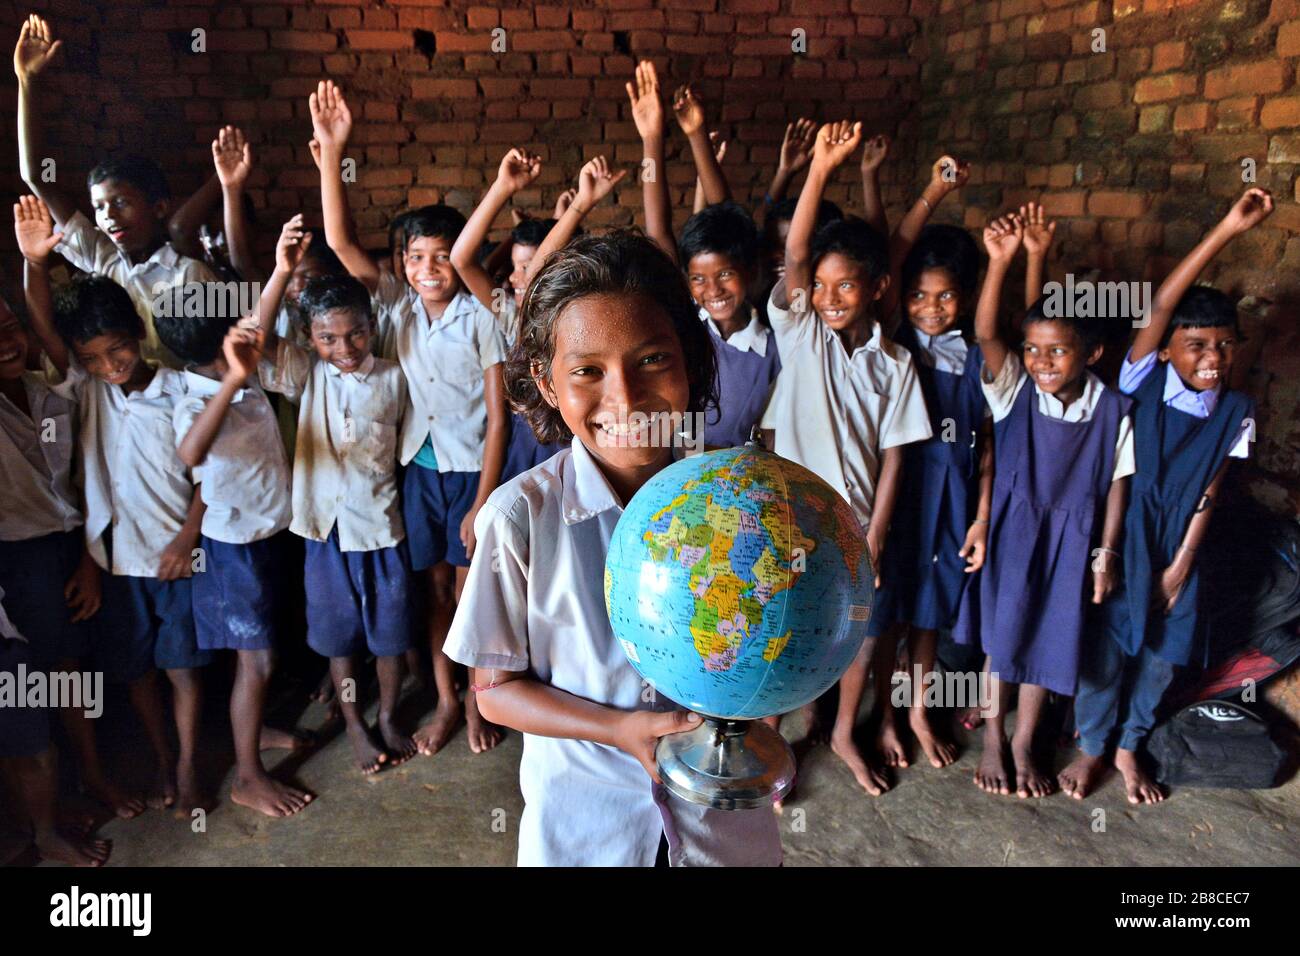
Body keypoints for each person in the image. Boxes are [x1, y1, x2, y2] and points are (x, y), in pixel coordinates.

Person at [445, 230, 781, 866]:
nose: (624, 398)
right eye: (587, 371)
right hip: (586, 823)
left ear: (692, 360)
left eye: (653, 359)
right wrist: (618, 730)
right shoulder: (519, 517)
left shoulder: (739, 499)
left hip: (721, 824)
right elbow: (493, 690)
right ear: (546, 383)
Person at [311, 80, 510, 756]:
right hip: (415, 471)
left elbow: (500, 419)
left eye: (442, 258)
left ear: (461, 262)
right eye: (415, 257)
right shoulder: (390, 309)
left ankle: (484, 703)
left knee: (471, 587)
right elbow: (337, 238)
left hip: (469, 472)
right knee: (430, 591)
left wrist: (482, 502)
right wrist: (333, 153)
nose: (429, 269)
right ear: (402, 264)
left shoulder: (482, 318)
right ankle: (448, 701)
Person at [1060, 188, 1272, 803]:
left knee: (1162, 656)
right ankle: (1092, 746)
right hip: (1127, 530)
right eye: (1198, 344)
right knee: (1106, 649)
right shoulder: (1142, 378)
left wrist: (1179, 568)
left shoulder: (1237, 410)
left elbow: (1210, 489)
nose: (1214, 358)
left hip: (1182, 541)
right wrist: (1226, 229)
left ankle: (1129, 748)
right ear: (1170, 346)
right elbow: (1163, 307)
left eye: (1226, 345)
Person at [22, 197, 214, 813]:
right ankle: (160, 758)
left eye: (117, 351)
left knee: (185, 668)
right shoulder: (86, 391)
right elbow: (48, 331)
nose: (108, 367)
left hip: (177, 560)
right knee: (136, 674)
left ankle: (186, 769)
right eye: (92, 359)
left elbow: (213, 474)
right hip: (117, 563)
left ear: (137, 333)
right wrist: (33, 265)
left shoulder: (181, 387)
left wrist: (188, 538)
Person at [764, 121, 933, 795]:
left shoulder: (895, 363)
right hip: (791, 517)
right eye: (823, 286)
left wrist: (878, 533)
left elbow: (895, 456)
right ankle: (775, 740)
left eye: (848, 287)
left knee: (860, 635)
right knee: (788, 628)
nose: (831, 298)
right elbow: (800, 250)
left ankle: (841, 732)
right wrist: (822, 168)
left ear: (878, 288)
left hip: (858, 524)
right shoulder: (801, 331)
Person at [956, 213, 1133, 800]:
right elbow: (988, 332)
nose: (1041, 361)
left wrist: (1105, 552)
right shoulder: (1015, 388)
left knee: (1048, 640)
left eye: (1057, 352)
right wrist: (1002, 260)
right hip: (1013, 529)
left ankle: (1027, 740)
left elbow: (1116, 484)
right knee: (1001, 642)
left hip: (1074, 539)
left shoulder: (1113, 408)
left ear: (1094, 353)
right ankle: (992, 739)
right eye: (1032, 350)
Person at [253, 270, 413, 775]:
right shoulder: (306, 375)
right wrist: (279, 271)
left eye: (355, 333)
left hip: (381, 530)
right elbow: (257, 339)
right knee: (338, 641)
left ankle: (387, 715)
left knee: (390, 639)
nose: (344, 347)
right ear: (309, 337)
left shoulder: (395, 377)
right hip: (325, 532)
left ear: (372, 325)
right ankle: (352, 722)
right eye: (327, 337)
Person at [156, 302, 312, 817]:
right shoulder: (198, 397)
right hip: (233, 549)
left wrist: (283, 265)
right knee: (256, 659)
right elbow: (190, 453)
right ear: (224, 343)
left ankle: (255, 728)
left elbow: (262, 314)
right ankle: (247, 776)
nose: (252, 325)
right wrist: (234, 379)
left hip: (269, 532)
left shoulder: (241, 376)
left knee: (265, 650)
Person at [14, 15, 218, 368]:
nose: (108, 215)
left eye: (121, 202)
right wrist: (28, 82)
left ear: (158, 207)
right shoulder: (102, 258)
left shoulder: (189, 274)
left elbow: (211, 361)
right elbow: (37, 176)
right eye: (100, 207)